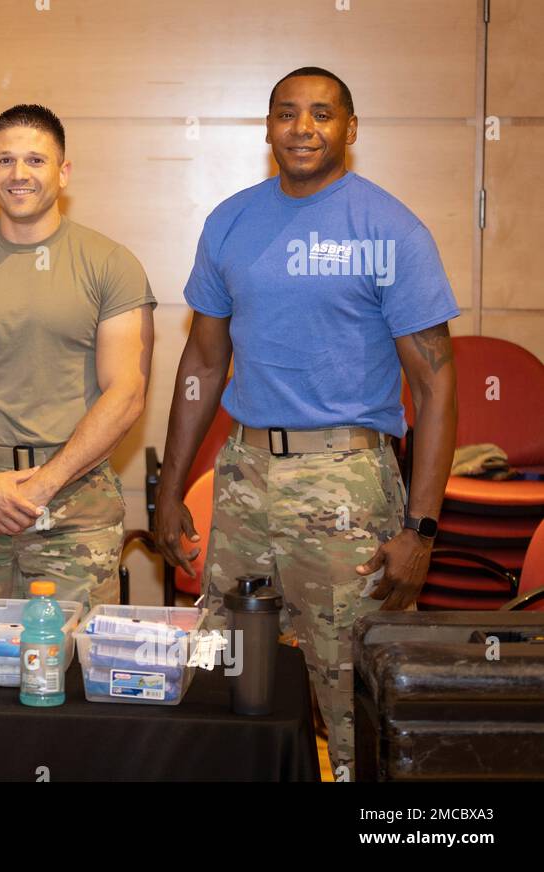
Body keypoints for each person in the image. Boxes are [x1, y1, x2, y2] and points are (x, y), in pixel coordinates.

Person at [155, 68, 459, 780]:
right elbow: (201, 363)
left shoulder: (390, 230)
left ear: (351, 129)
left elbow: (436, 384)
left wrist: (421, 528)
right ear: (267, 128)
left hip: (347, 487)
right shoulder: (229, 221)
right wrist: (169, 491)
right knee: (233, 684)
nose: (303, 127)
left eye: (322, 113)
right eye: (287, 113)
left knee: (352, 695)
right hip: (243, 478)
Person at [0, 103, 155, 607]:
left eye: (36, 161)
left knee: (68, 670)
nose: (19, 175)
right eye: (5, 161)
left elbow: (126, 394)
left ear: (63, 172)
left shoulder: (112, 265)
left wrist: (42, 487)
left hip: (74, 512)